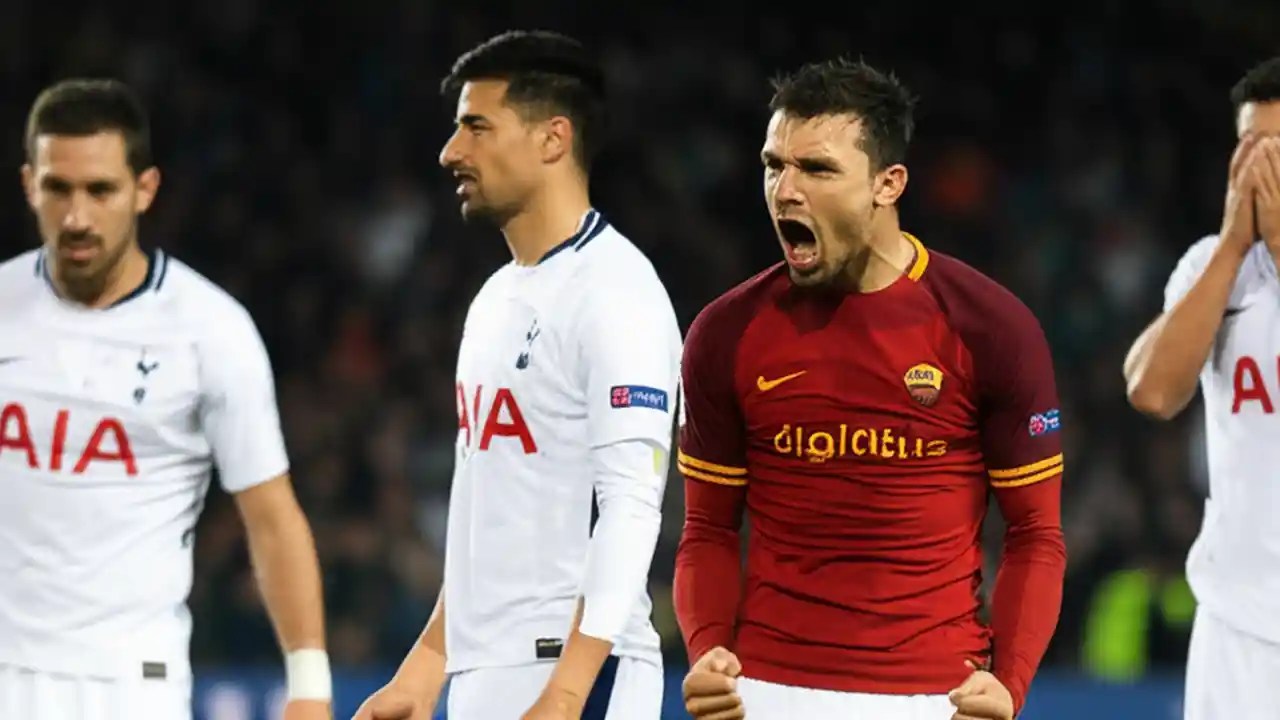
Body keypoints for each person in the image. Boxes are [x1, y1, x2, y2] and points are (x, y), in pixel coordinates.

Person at [673, 58, 1067, 720]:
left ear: (888, 183)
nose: (785, 191)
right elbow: (707, 526)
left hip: (937, 698)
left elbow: (1035, 532)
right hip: (763, 694)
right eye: (775, 165)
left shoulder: (990, 328)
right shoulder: (724, 334)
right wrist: (709, 650)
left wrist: (1011, 682)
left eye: (817, 169)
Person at [354, 30, 679, 720]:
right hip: (487, 673)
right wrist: (425, 669)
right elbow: (485, 511)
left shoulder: (617, 292)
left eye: (477, 127)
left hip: (583, 673)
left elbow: (629, 506)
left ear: (552, 139)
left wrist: (566, 694)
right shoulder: (496, 298)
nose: (452, 152)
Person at [0, 79, 330, 719]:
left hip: (131, 682)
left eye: (100, 190)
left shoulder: (211, 331)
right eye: (57, 189)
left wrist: (310, 685)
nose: (76, 217)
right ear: (27, 185)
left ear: (144, 189)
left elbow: (271, 515)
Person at [1123, 56, 1280, 718]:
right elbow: (1152, 391)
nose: (1261, 167)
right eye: (1251, 145)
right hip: (1237, 617)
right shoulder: (1212, 268)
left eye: (1278, 149)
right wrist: (1232, 248)